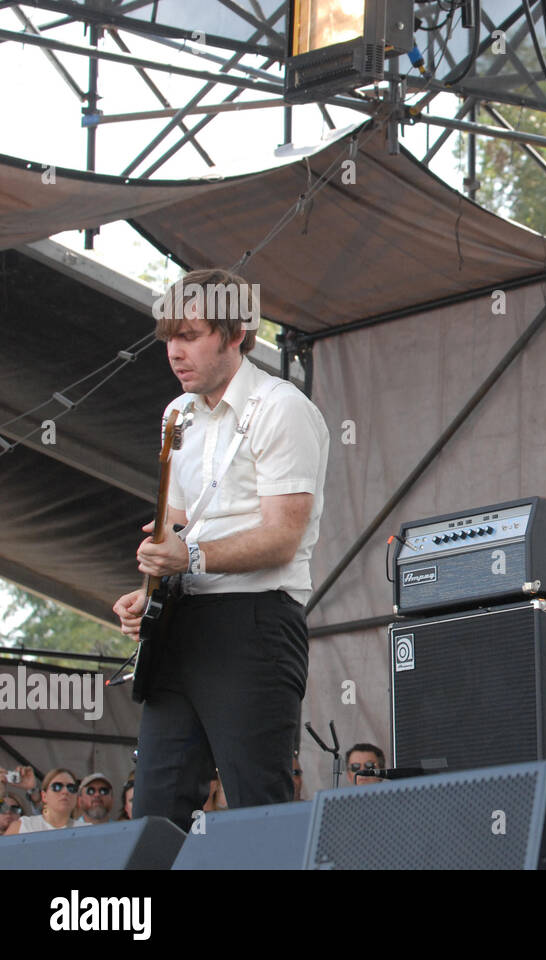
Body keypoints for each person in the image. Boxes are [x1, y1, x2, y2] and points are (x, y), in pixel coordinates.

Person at [112, 267, 330, 830]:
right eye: (169, 339)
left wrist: (192, 558)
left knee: (259, 803)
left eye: (190, 335)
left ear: (236, 333)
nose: (175, 352)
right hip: (181, 622)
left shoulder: (282, 407)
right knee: (154, 809)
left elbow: (283, 535)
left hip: (255, 621)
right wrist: (147, 593)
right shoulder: (175, 415)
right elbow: (176, 534)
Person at [4, 768, 79, 834]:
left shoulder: (87, 829)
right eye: (57, 787)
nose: (65, 791)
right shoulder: (24, 826)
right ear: (44, 796)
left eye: (71, 788)